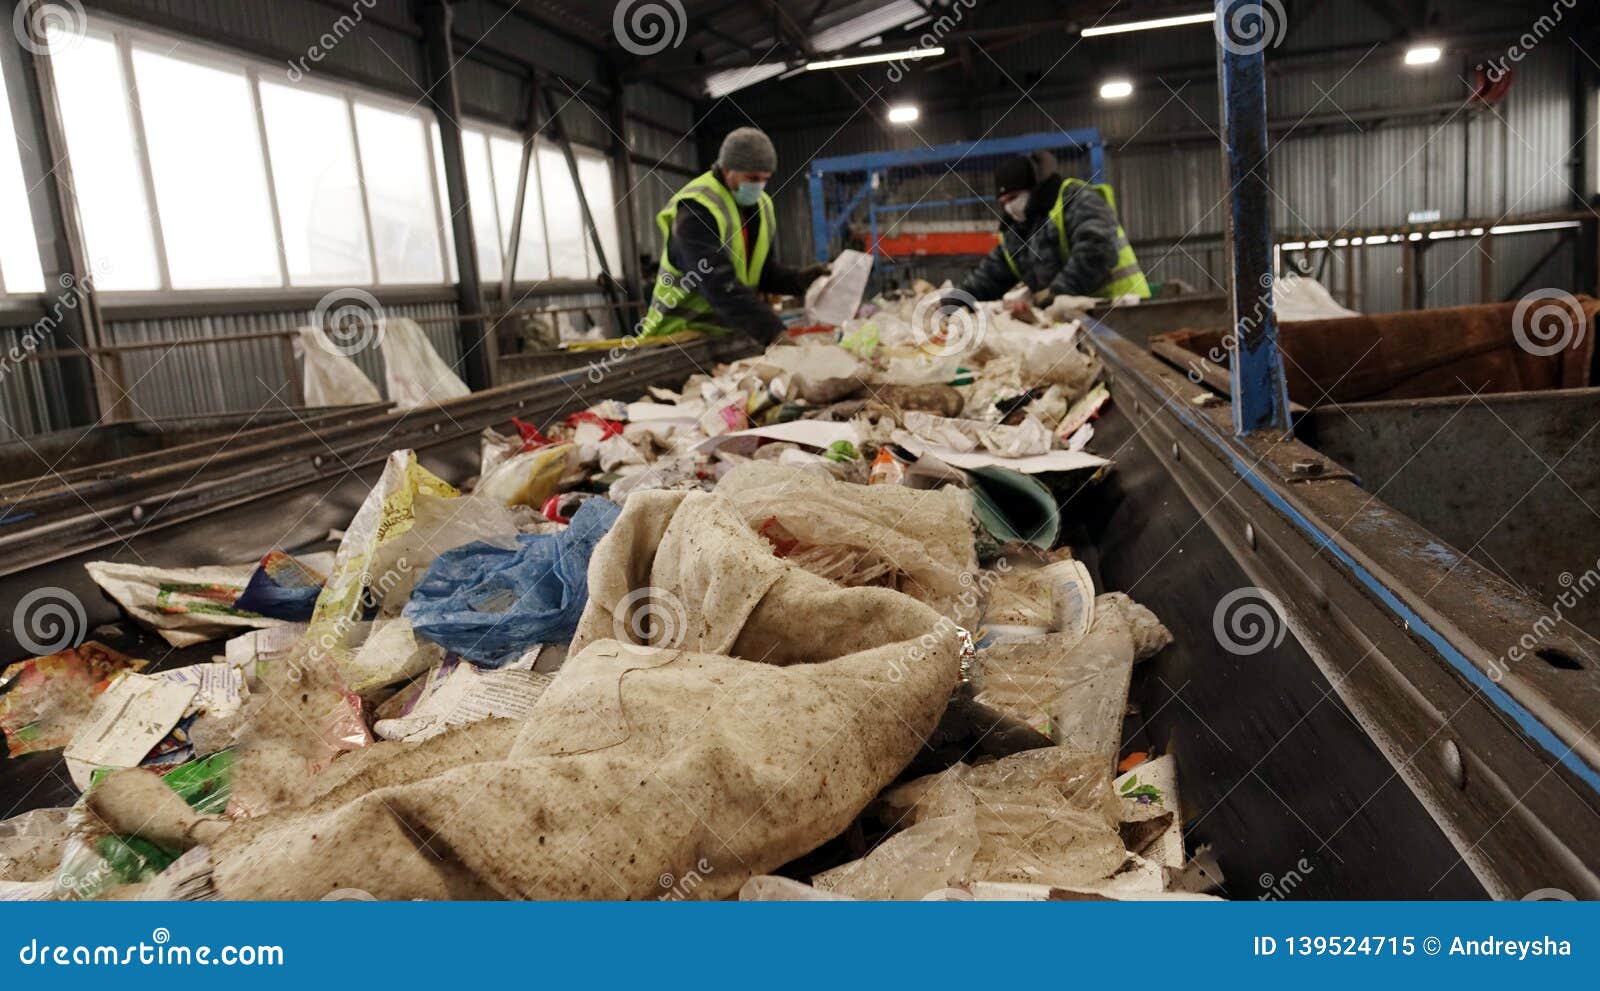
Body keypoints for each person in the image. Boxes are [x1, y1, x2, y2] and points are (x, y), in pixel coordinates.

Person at [636, 127, 829, 344]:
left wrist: (798, 280)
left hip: (722, 336)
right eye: (752, 178)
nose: (759, 186)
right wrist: (773, 332)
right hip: (678, 336)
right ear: (728, 169)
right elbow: (718, 283)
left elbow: (760, 272)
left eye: (765, 179)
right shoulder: (697, 208)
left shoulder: (760, 207)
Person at [947, 151, 1062, 305]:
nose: (1009, 207)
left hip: (1097, 313)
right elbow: (990, 277)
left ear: (1034, 188)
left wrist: (1054, 292)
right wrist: (952, 301)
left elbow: (1094, 251)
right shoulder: (1016, 234)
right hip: (1058, 316)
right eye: (1003, 202)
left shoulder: (1073, 202)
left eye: (1013, 197)